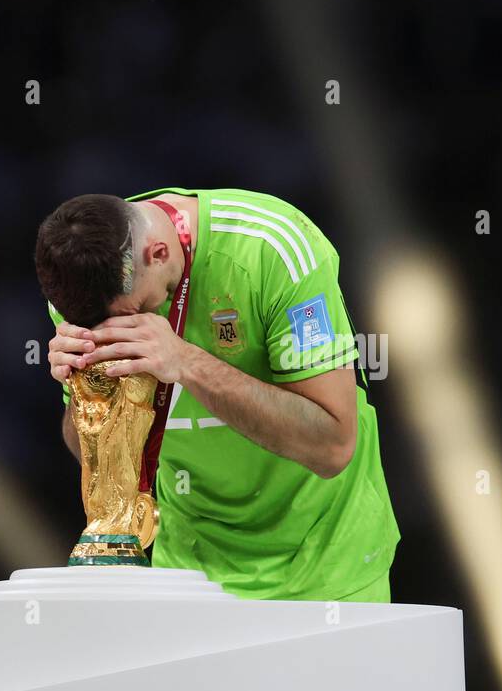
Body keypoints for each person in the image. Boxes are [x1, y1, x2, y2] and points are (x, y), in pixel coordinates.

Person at [35, 187, 399, 601]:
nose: (124, 331)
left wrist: (185, 362)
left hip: (326, 572)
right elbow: (95, 463)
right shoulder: (87, 284)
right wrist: (86, 395)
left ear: (157, 254)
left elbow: (332, 447)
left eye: (132, 314)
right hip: (189, 579)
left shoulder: (273, 249)